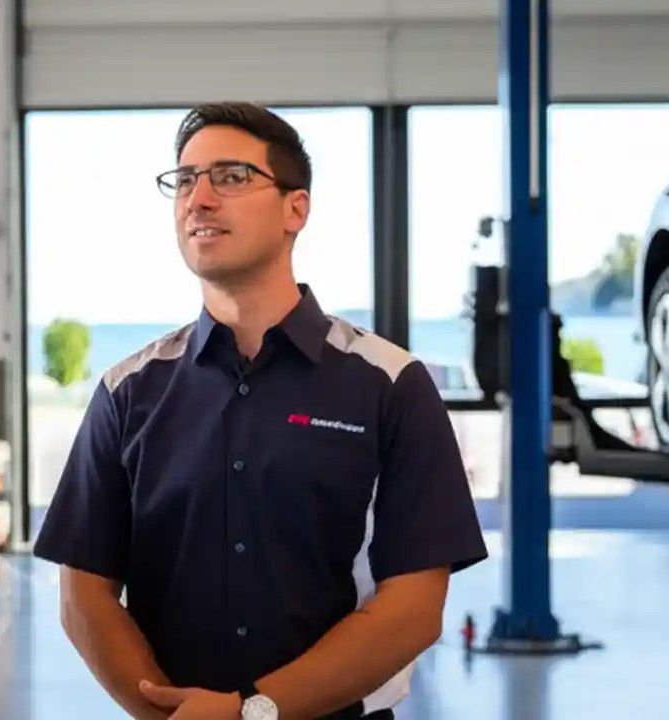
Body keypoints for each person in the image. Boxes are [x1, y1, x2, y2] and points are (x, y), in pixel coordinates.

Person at [34, 102, 489, 720]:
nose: (199, 199)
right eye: (185, 180)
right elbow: (83, 594)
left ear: (295, 209)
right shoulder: (128, 392)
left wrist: (253, 712)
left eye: (231, 177)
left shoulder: (389, 385)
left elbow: (413, 607)